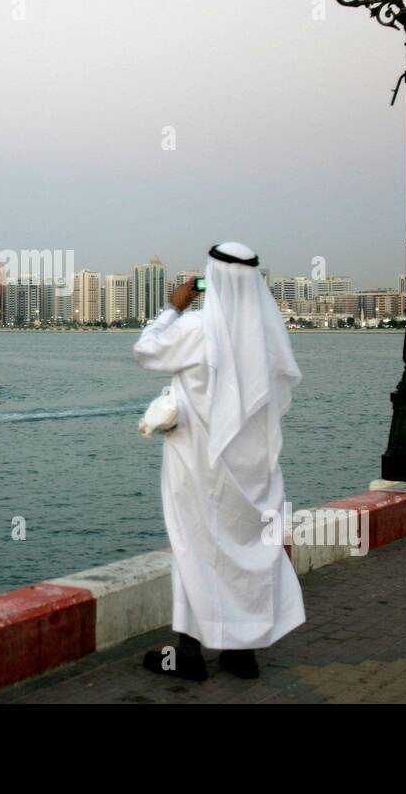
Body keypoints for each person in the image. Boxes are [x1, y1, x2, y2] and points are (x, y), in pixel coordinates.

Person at [133, 242, 304, 682]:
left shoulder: (195, 327)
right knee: (247, 551)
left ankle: (189, 651)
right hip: (254, 470)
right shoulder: (267, 333)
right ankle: (241, 651)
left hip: (196, 463)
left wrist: (172, 307)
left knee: (193, 547)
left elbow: (145, 350)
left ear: (212, 279)